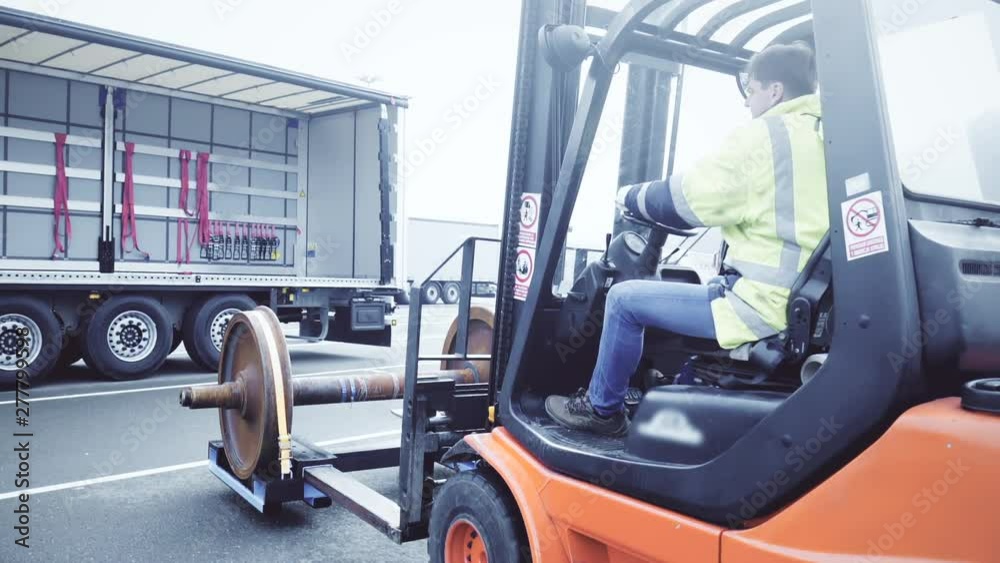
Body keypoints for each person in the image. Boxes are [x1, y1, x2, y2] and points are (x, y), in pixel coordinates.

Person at [545, 43, 830, 436]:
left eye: (752, 89)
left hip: (760, 305)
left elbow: (687, 199)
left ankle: (601, 409)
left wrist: (628, 196)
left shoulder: (766, 137)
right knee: (706, 286)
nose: (747, 101)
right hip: (800, 303)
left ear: (775, 91)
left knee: (623, 300)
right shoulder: (826, 136)